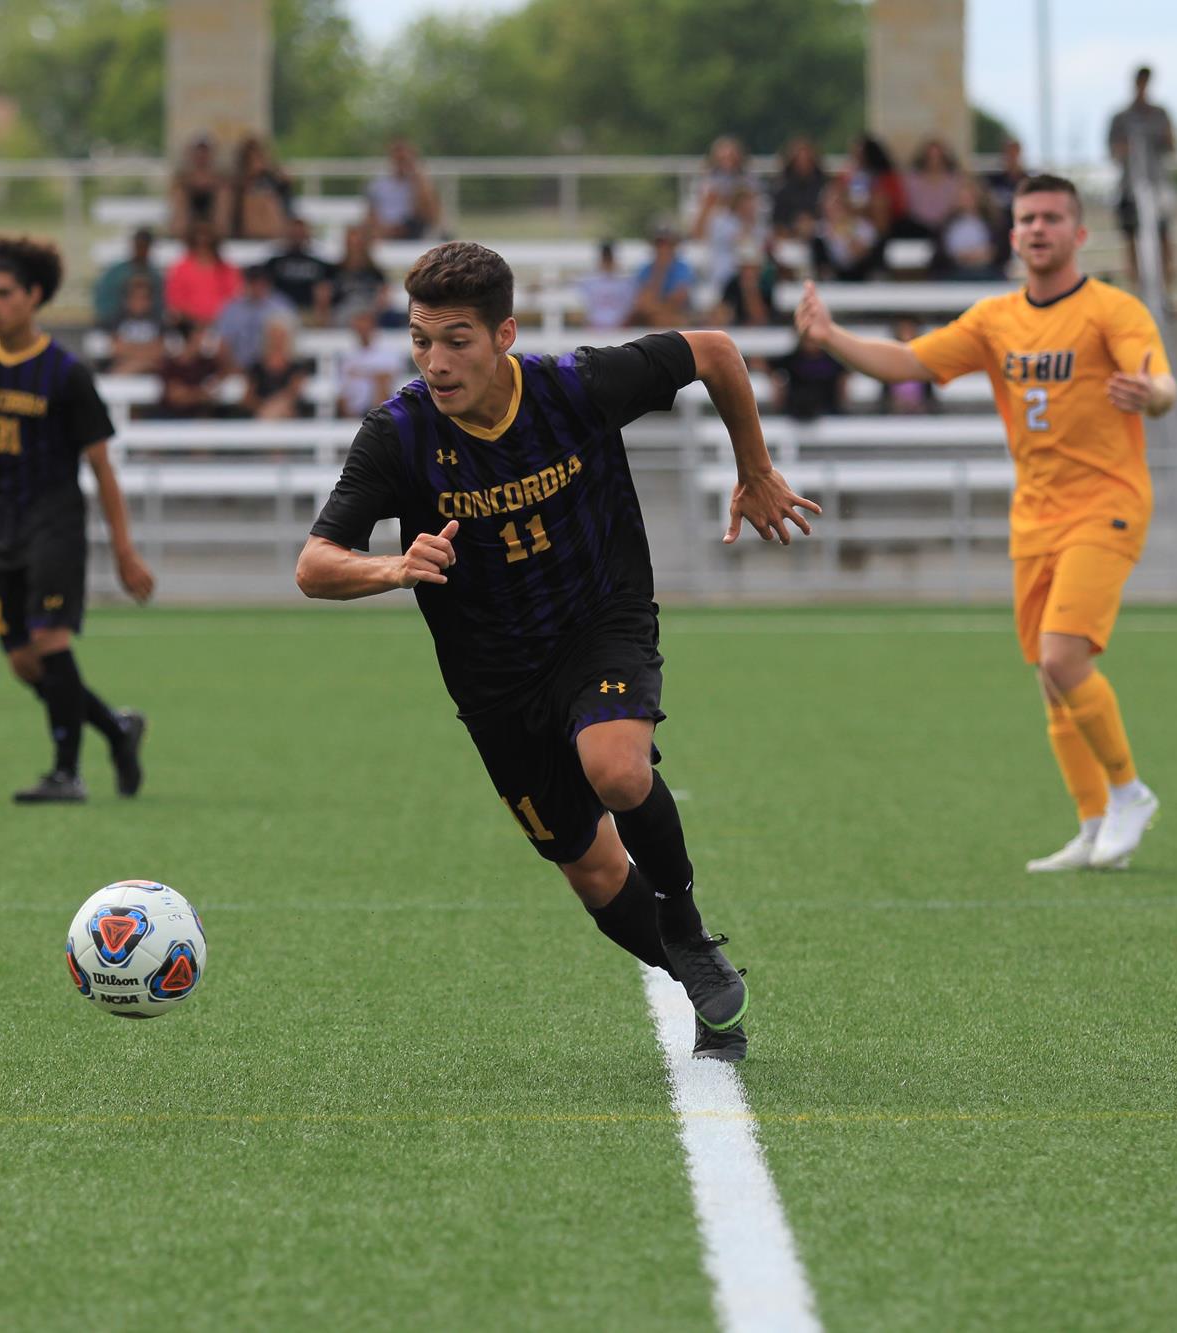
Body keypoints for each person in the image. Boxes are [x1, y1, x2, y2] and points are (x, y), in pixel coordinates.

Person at [295, 241, 820, 1062]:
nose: (436, 361)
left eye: (457, 339)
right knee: (594, 873)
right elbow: (314, 565)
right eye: (421, 339)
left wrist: (754, 468)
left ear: (504, 333)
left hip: (598, 620)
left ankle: (684, 924)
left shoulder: (574, 385)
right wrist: (392, 567)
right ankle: (700, 979)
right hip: (494, 678)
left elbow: (714, 351)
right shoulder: (397, 433)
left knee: (617, 766)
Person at [795, 174, 1177, 873]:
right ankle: (1094, 825)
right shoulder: (995, 318)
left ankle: (1130, 791)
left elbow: (1161, 384)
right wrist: (830, 336)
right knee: (1049, 675)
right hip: (1035, 513)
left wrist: (1150, 393)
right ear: (1012, 234)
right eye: (1027, 218)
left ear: (1078, 233)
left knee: (1066, 657)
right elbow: (909, 362)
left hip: (1107, 503)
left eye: (1053, 218)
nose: (1038, 228)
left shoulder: (1111, 310)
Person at [0, 235, 156, 802]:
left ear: (34, 296)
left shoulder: (65, 374)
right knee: (24, 663)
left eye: (3, 293)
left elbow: (102, 467)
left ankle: (66, 774)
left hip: (54, 524)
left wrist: (125, 552)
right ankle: (117, 729)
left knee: (50, 640)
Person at [1107, 65, 1177, 285]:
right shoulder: (1120, 117)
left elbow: (1172, 146)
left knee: (1164, 236)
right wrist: (1130, 147)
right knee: (1131, 240)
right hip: (1130, 187)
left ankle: (1165, 291)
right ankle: (1137, 288)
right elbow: (1113, 151)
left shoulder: (1160, 114)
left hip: (1157, 185)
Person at [215, 264, 297, 371]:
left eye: (262, 283)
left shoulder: (281, 306)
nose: (258, 287)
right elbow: (223, 344)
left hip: (271, 370)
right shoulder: (232, 309)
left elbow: (287, 345)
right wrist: (233, 370)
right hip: (238, 368)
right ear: (246, 283)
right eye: (254, 282)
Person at [164, 219, 242, 327]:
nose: (203, 248)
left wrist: (214, 319)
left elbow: (233, 299)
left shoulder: (226, 269)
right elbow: (175, 300)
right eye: (198, 243)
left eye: (208, 244)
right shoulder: (180, 268)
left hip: (222, 324)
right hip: (188, 324)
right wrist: (195, 319)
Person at [262, 216, 336, 325]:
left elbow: (328, 290)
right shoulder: (274, 263)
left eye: (301, 233)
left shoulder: (320, 265)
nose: (297, 236)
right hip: (280, 310)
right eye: (294, 233)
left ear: (308, 235)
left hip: (309, 311)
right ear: (287, 235)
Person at [334, 299, 401, 418]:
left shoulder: (387, 351)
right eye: (358, 322)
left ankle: (376, 423)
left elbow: (387, 379)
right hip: (354, 408)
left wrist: (361, 374)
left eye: (364, 321)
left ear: (372, 324)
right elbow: (342, 388)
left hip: (378, 405)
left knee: (380, 384)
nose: (361, 327)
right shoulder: (348, 355)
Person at [365, 138, 440, 240]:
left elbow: (431, 216)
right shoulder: (377, 185)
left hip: (412, 231)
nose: (400, 162)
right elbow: (371, 215)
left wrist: (417, 176)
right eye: (397, 158)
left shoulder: (420, 185)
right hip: (384, 232)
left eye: (404, 158)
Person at [93, 228, 163, 331]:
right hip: (116, 324)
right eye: (138, 245)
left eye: (144, 246)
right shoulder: (116, 273)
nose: (141, 250)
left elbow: (160, 305)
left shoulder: (155, 276)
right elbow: (102, 302)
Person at [242, 318, 312, 420]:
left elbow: (293, 394)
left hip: (288, 417)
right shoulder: (256, 367)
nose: (277, 340)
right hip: (261, 415)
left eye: (281, 336)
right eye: (274, 336)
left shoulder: (296, 367)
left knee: (282, 406)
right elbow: (248, 398)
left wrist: (274, 409)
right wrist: (264, 408)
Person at [228, 134, 293, 241]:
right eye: (252, 157)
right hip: (248, 230)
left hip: (276, 226)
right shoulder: (239, 182)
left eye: (259, 156)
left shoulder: (274, 178)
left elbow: (286, 194)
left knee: (267, 199)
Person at [629, 227, 694, 326]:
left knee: (662, 319)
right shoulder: (646, 269)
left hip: (675, 313)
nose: (663, 248)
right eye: (659, 244)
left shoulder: (682, 269)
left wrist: (655, 308)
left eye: (667, 244)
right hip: (653, 314)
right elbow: (643, 301)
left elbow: (678, 300)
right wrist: (659, 271)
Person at [169, 134, 229, 237]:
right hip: (187, 228)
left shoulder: (221, 181)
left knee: (224, 193)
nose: (201, 155)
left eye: (205, 151)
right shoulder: (182, 181)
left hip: (213, 227)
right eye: (198, 151)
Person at [768, 138, 827, 240]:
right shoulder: (781, 187)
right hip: (790, 236)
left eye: (807, 160)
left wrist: (812, 225)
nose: (803, 164)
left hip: (820, 235)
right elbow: (777, 220)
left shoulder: (825, 186)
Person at [106, 276, 165, 375]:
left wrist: (131, 350)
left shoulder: (158, 321)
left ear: (150, 301)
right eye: (135, 297)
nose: (139, 302)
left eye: (144, 298)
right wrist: (146, 355)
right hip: (124, 367)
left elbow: (158, 351)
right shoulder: (117, 320)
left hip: (151, 371)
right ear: (126, 299)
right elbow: (117, 349)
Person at [332, 225, 390, 323]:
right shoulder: (335, 271)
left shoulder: (375, 272)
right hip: (343, 313)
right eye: (352, 245)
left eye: (358, 245)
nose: (355, 249)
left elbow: (383, 296)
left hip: (369, 313)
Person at [578, 241, 639, 331]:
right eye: (605, 258)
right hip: (594, 328)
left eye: (609, 258)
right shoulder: (588, 283)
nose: (607, 262)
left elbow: (631, 309)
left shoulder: (626, 284)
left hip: (620, 328)